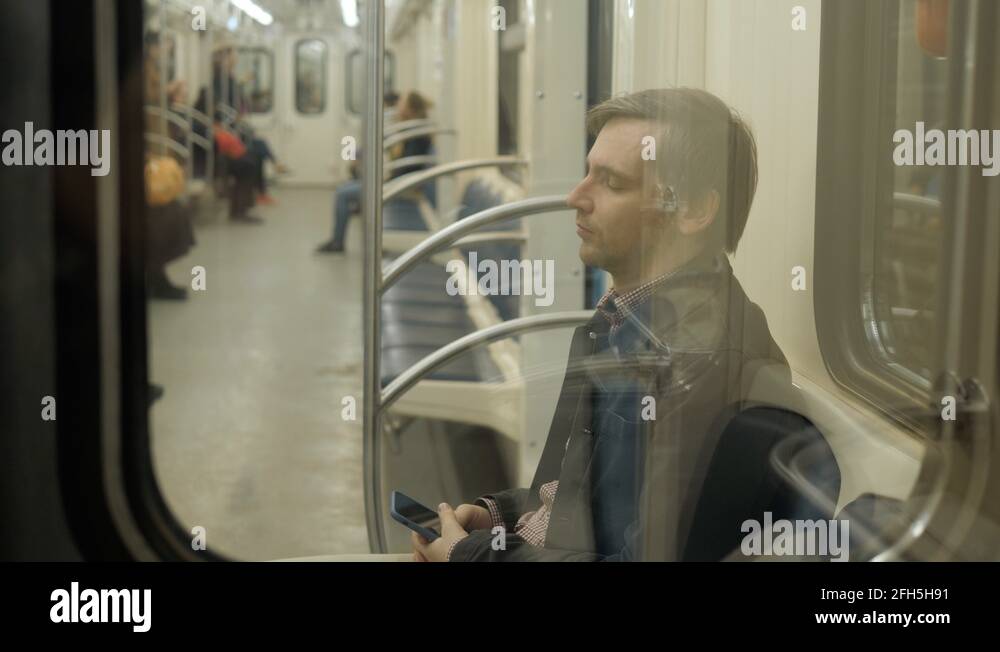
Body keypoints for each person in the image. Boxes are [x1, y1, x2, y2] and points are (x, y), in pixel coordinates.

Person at [411, 88, 790, 562]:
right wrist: (499, 518)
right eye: (588, 172)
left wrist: (471, 556)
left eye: (611, 182)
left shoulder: (700, 368)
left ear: (693, 210)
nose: (576, 197)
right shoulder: (620, 321)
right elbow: (580, 496)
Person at [316, 90, 435, 253]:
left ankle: (338, 242)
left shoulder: (416, 135)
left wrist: (383, 178)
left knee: (342, 194)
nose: (398, 106)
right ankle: (340, 235)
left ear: (410, 108)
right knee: (345, 188)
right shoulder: (409, 129)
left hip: (402, 188)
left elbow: (406, 168)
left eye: (402, 103)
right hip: (398, 183)